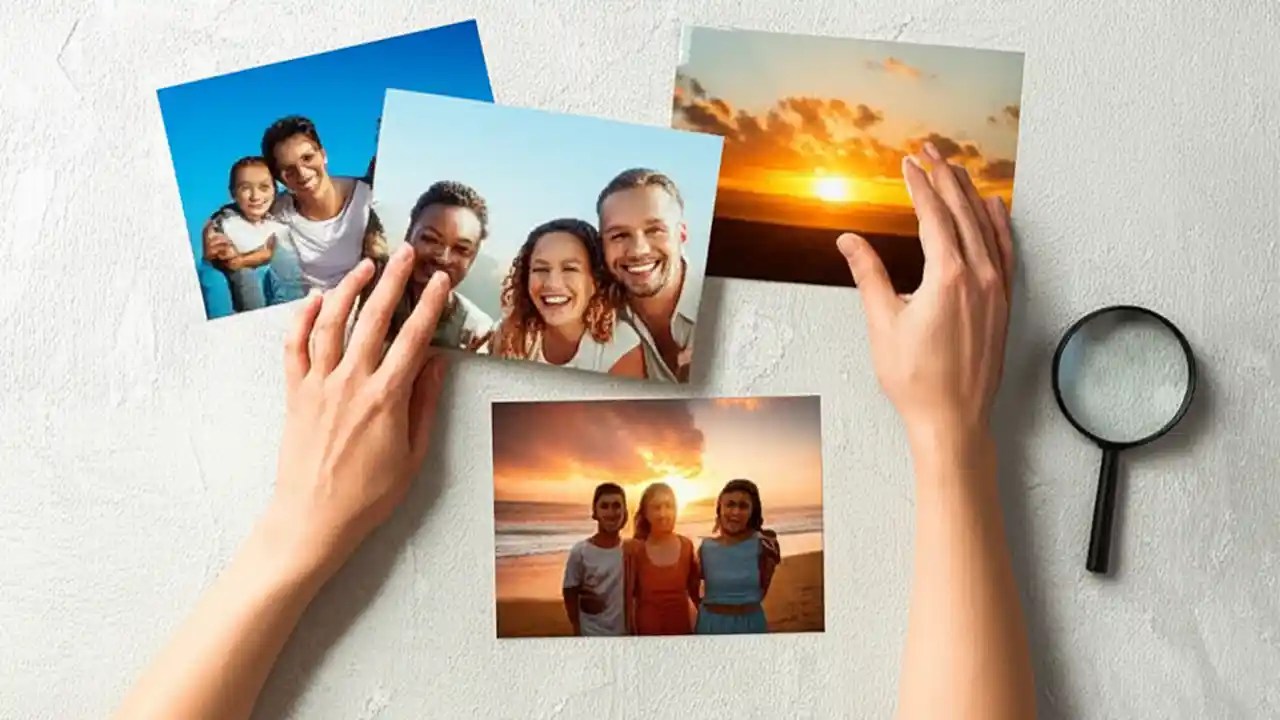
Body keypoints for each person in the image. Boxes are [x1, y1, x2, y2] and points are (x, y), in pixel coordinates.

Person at [113, 143, 1035, 720]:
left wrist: (299, 526)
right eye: (606, 241)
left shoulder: (619, 348)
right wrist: (950, 436)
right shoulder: (500, 333)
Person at [203, 115, 388, 295]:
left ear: (323, 155)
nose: (302, 173)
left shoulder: (368, 197)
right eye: (288, 169)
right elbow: (237, 211)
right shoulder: (278, 211)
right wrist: (213, 233)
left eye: (307, 158)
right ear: (279, 178)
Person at [489, 218, 646, 377]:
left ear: (596, 281)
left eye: (570, 269)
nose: (552, 284)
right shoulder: (511, 334)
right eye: (541, 269)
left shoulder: (620, 347)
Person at [358, 180, 495, 353]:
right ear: (409, 234)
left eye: (461, 249)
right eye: (430, 239)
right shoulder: (363, 288)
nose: (443, 258)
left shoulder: (475, 333)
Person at [595, 168, 699, 383]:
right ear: (602, 245)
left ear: (682, 234)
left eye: (655, 230)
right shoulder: (599, 319)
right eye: (619, 235)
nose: (638, 250)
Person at [694, 478, 782, 635]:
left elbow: (763, 589)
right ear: (720, 508)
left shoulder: (765, 546)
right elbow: (691, 590)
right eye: (730, 505)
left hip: (751, 625)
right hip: (710, 625)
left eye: (743, 506)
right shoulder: (705, 548)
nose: (736, 512)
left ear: (753, 511)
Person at [203, 156, 286, 312]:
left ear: (275, 190)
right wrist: (257, 256)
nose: (255, 196)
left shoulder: (275, 221)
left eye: (264, 187)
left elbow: (275, 250)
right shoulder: (226, 221)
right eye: (245, 188)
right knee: (244, 275)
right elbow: (229, 260)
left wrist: (252, 257)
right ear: (233, 193)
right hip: (243, 288)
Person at [621, 482, 700, 635]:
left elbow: (696, 596)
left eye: (669, 506)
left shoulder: (687, 546)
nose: (663, 514)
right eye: (656, 507)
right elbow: (627, 600)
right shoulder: (634, 549)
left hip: (681, 633)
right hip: (647, 635)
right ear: (645, 513)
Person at [561, 482, 629, 637]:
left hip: (624, 635)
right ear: (595, 512)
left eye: (617, 506)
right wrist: (577, 628)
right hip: (591, 633)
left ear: (625, 512)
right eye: (604, 506)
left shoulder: (630, 551)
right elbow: (569, 592)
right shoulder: (581, 551)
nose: (611, 512)